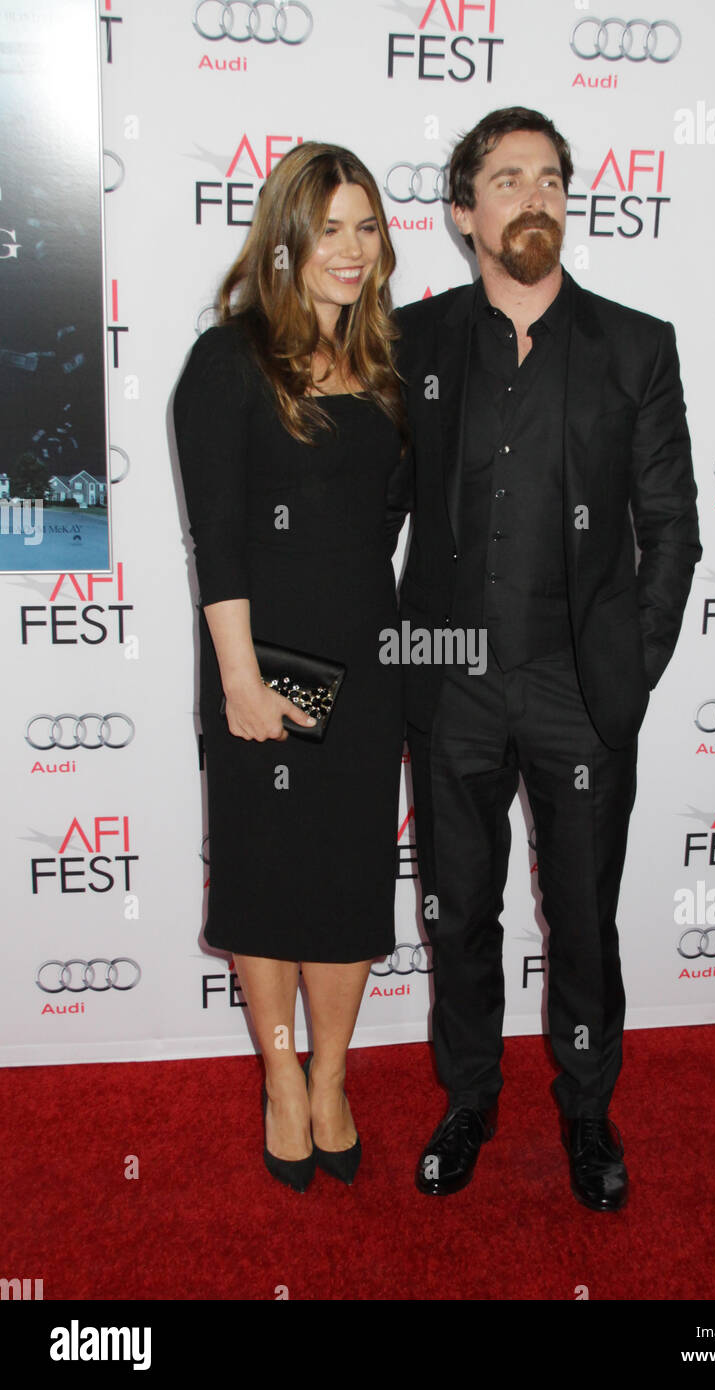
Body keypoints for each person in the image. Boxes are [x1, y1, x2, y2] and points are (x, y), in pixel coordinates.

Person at [394, 108, 701, 1210]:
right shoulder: (413, 343)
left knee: (581, 918)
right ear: (463, 210)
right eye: (506, 177)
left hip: (579, 697)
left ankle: (584, 1109)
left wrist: (626, 666)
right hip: (452, 690)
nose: (534, 196)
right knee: (457, 910)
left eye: (550, 177)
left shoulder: (634, 345)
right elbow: (368, 509)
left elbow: (670, 527)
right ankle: (468, 1096)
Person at [173, 143, 410, 1192]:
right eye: (328, 227)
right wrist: (237, 679)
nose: (349, 249)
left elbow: (385, 530)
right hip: (261, 665)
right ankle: (280, 1083)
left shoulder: (391, 370)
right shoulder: (228, 362)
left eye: (365, 226)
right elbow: (216, 539)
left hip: (363, 665)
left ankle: (329, 1081)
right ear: (284, 236)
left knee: (350, 884)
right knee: (268, 886)